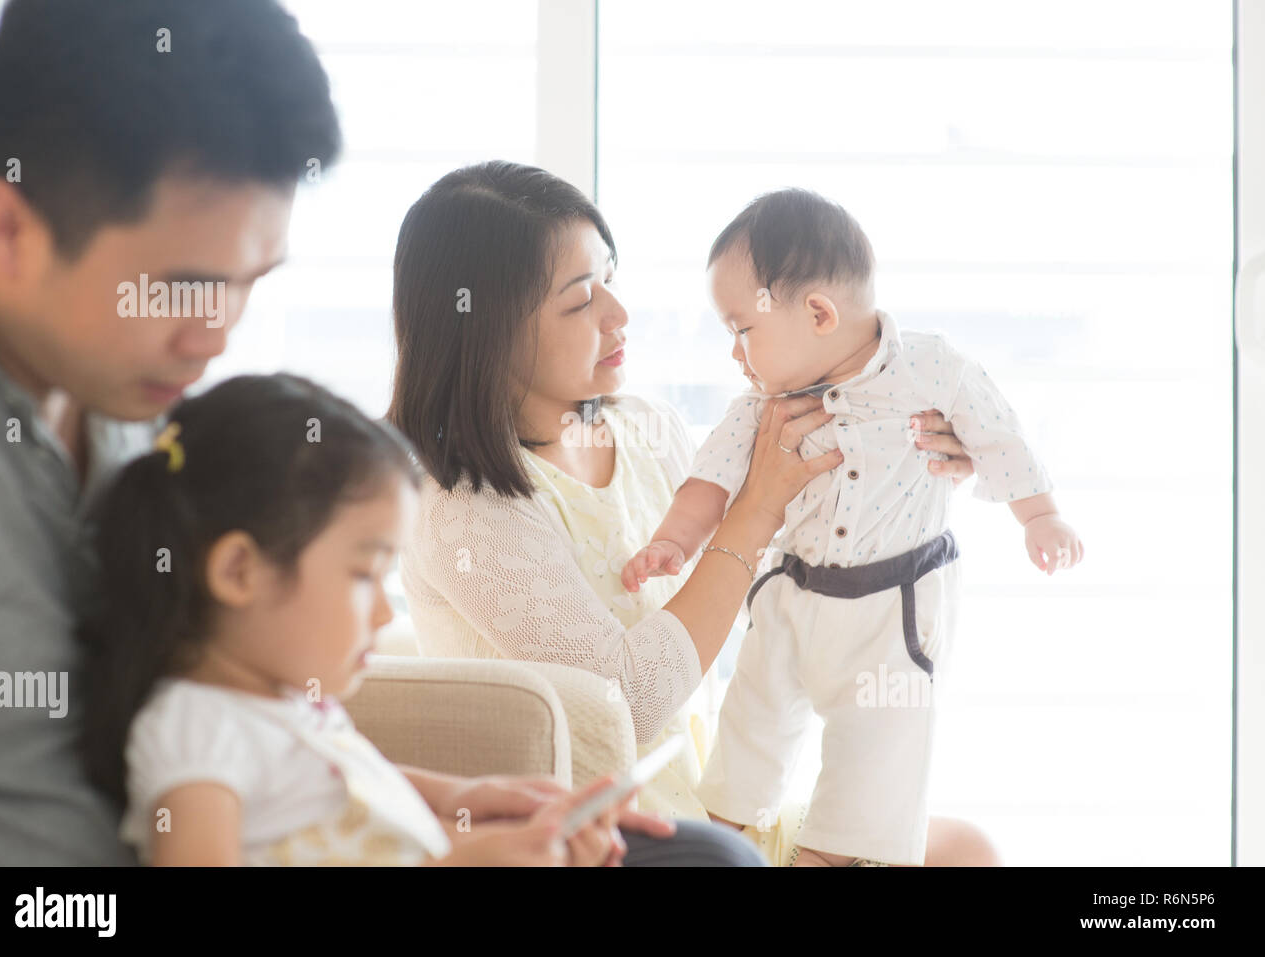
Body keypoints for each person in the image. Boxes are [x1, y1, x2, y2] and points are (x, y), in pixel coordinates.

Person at [391, 160, 998, 866]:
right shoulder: (463, 506)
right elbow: (628, 701)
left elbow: (799, 541)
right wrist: (754, 509)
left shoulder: (645, 427)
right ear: (491, 327)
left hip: (711, 805)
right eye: (581, 300)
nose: (619, 314)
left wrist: (913, 445)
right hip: (608, 842)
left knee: (963, 849)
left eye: (611, 280)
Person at [0, 0, 342, 864]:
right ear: (8, 232)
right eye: (183, 287)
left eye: (251, 281)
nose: (216, 335)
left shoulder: (139, 406)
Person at [622, 188, 1084, 866]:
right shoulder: (765, 404)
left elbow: (997, 432)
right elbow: (710, 477)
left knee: (879, 750)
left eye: (741, 330)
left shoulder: (931, 369)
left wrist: (1039, 515)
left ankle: (832, 855)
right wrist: (673, 540)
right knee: (752, 718)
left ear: (817, 312)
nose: (735, 356)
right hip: (791, 592)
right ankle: (726, 830)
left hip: (890, 608)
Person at [84, 372, 696, 866]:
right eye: (363, 575)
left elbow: (350, 792)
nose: (383, 611)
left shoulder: (285, 706)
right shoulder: (198, 732)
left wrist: (468, 799)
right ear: (240, 572)